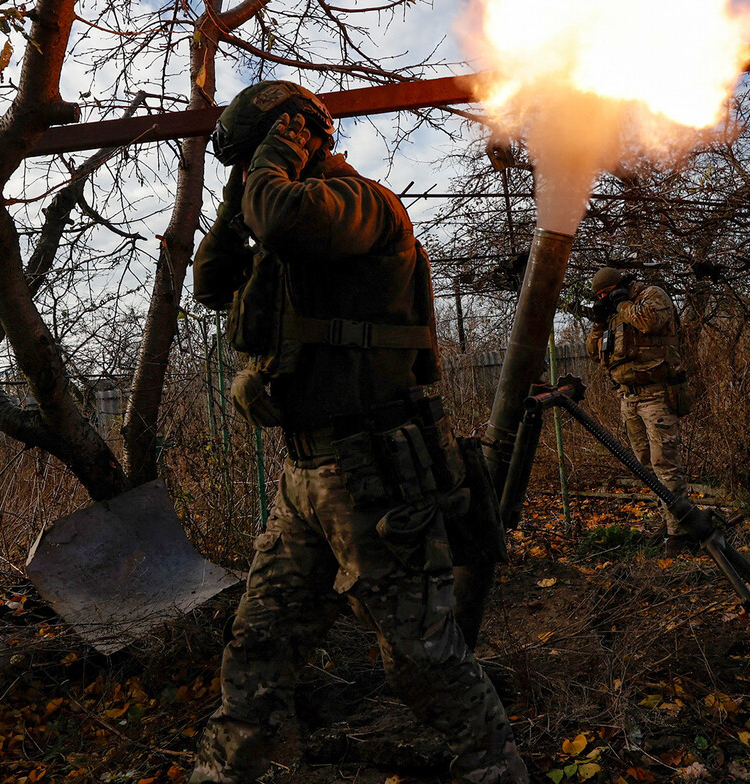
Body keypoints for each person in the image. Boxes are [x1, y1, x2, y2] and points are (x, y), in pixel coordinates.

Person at [188, 80, 522, 784]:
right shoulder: (284, 224)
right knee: (257, 647)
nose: (251, 179)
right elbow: (213, 284)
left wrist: (276, 156)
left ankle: (497, 768)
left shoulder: (355, 203)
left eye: (258, 160)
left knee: (422, 663)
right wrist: (229, 204)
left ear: (294, 140)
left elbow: (280, 219)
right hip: (304, 478)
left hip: (374, 471)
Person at [584, 267, 693, 554]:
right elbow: (593, 351)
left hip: (657, 394)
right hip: (628, 397)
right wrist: (598, 322)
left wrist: (621, 303)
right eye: (600, 296)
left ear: (620, 287)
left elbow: (649, 323)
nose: (604, 299)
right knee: (645, 465)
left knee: (665, 463)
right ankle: (670, 519)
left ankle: (681, 532)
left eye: (606, 293)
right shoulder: (612, 313)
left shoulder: (651, 297)